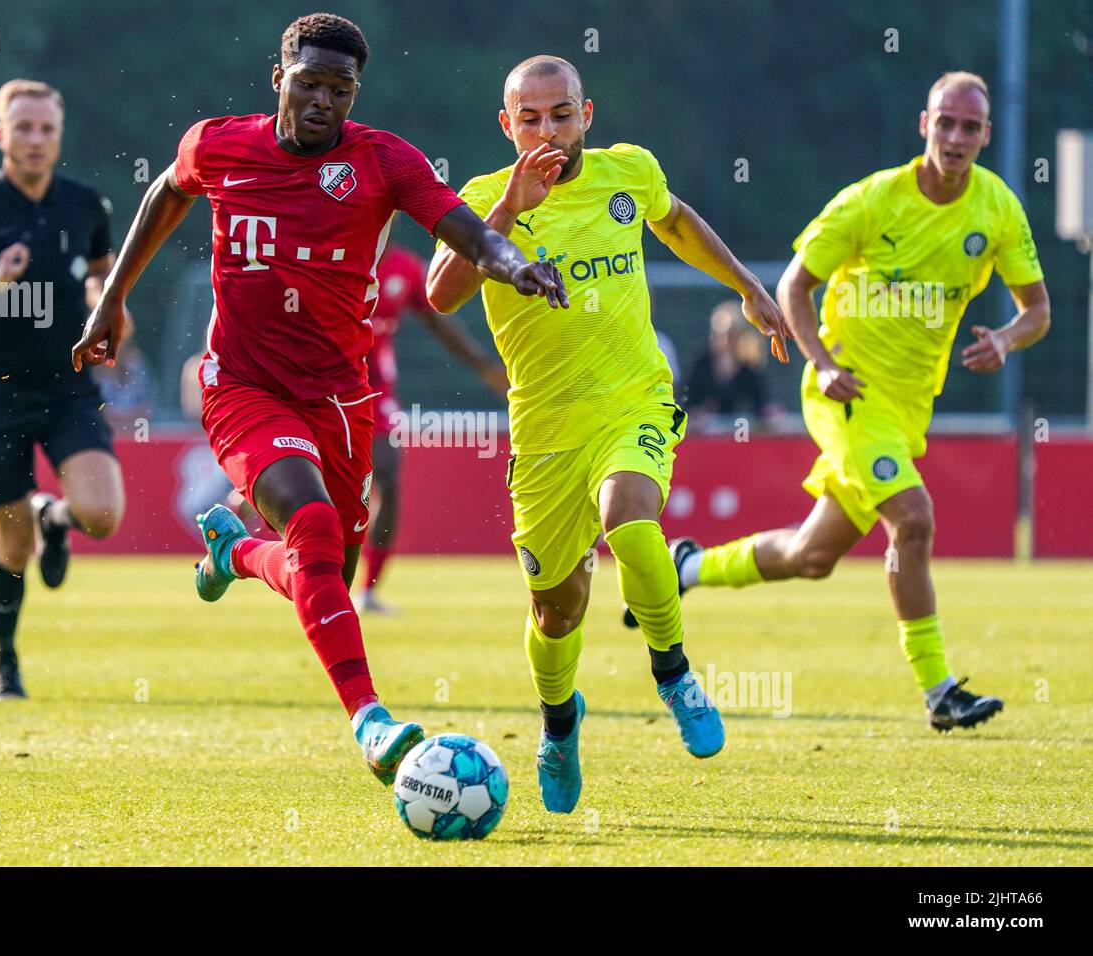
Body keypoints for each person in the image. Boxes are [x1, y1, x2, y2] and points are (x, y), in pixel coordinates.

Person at [72, 13, 566, 786]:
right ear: (280, 79)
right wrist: (111, 300)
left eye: (341, 90)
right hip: (240, 385)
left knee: (328, 560)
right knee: (311, 524)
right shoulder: (220, 144)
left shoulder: (383, 160)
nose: (323, 102)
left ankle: (235, 551)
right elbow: (168, 194)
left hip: (342, 398)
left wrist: (512, 264)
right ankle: (371, 721)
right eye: (310, 84)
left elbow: (464, 230)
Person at [427, 55, 791, 813]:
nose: (548, 130)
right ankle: (560, 726)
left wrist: (750, 288)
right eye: (530, 118)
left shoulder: (630, 171)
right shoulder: (482, 198)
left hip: (634, 401)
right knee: (556, 610)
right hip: (544, 429)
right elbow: (441, 291)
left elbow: (677, 221)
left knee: (631, 521)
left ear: (586, 114)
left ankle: (673, 672)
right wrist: (508, 211)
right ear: (508, 125)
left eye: (562, 114)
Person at [670, 73, 1050, 733]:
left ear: (987, 135)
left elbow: (1037, 308)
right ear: (923, 125)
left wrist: (1009, 340)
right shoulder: (871, 202)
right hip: (844, 394)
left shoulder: (997, 209)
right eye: (946, 123)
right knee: (914, 517)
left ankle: (691, 566)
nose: (956, 137)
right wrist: (821, 362)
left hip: (907, 410)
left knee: (811, 557)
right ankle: (939, 691)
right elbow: (794, 286)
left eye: (970, 127)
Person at [0, 79, 126, 701]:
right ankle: (5, 661)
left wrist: (108, 309)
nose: (36, 139)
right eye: (24, 128)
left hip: (69, 386)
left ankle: (54, 517)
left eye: (46, 129)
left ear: (59, 137)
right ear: (0, 135)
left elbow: (103, 285)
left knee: (102, 514)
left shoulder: (88, 206)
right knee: (11, 546)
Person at [356, 237, 508, 615]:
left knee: (387, 476)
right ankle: (240, 520)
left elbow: (439, 321)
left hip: (373, 390)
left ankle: (367, 591)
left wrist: (484, 366)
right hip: (318, 381)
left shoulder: (406, 268)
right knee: (313, 480)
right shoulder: (331, 253)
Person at [684, 299, 769, 428]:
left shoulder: (748, 370)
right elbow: (688, 402)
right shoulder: (702, 364)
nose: (717, 338)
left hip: (741, 436)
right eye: (715, 332)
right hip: (704, 437)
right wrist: (696, 413)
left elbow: (760, 407)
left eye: (725, 333)